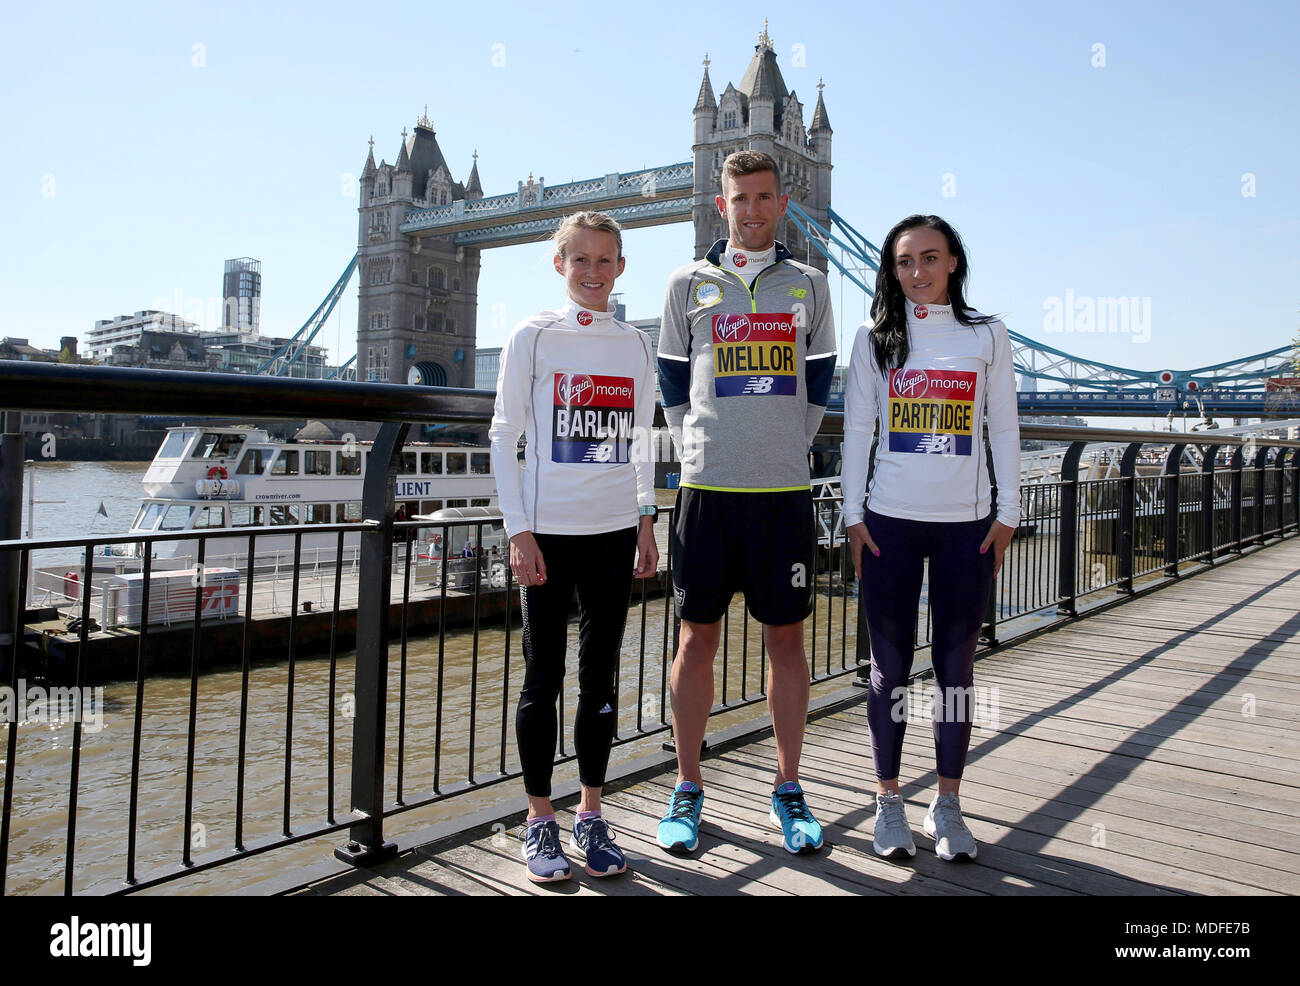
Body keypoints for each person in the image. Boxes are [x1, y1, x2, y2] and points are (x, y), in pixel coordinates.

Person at [655, 150, 836, 855]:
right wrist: (701, 445)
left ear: (783, 201)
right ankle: (688, 786)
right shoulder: (686, 284)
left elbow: (818, 384)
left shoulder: (811, 286)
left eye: (764, 197)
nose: (752, 210)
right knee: (694, 639)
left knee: (786, 641)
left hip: (782, 493)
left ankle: (788, 788)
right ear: (720, 203)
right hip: (706, 493)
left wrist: (782, 442)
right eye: (740, 199)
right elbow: (671, 381)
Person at [841, 214, 1019, 862]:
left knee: (955, 671)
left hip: (966, 527)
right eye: (905, 261)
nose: (918, 272)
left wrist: (1009, 512)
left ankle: (947, 805)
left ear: (953, 263)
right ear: (893, 271)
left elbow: (1003, 427)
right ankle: (888, 803)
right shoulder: (873, 339)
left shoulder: (987, 335)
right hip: (888, 522)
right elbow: (859, 430)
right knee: (890, 670)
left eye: (930, 258)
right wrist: (852, 516)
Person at [489, 211, 658, 883]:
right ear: (560, 266)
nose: (592, 272)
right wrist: (517, 529)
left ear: (621, 267)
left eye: (605, 260)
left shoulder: (637, 346)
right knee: (542, 677)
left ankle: (591, 813)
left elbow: (643, 438)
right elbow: (505, 436)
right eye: (579, 260)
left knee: (600, 678)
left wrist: (648, 518)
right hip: (548, 535)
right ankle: (539, 820)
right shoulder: (532, 337)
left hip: (616, 531)